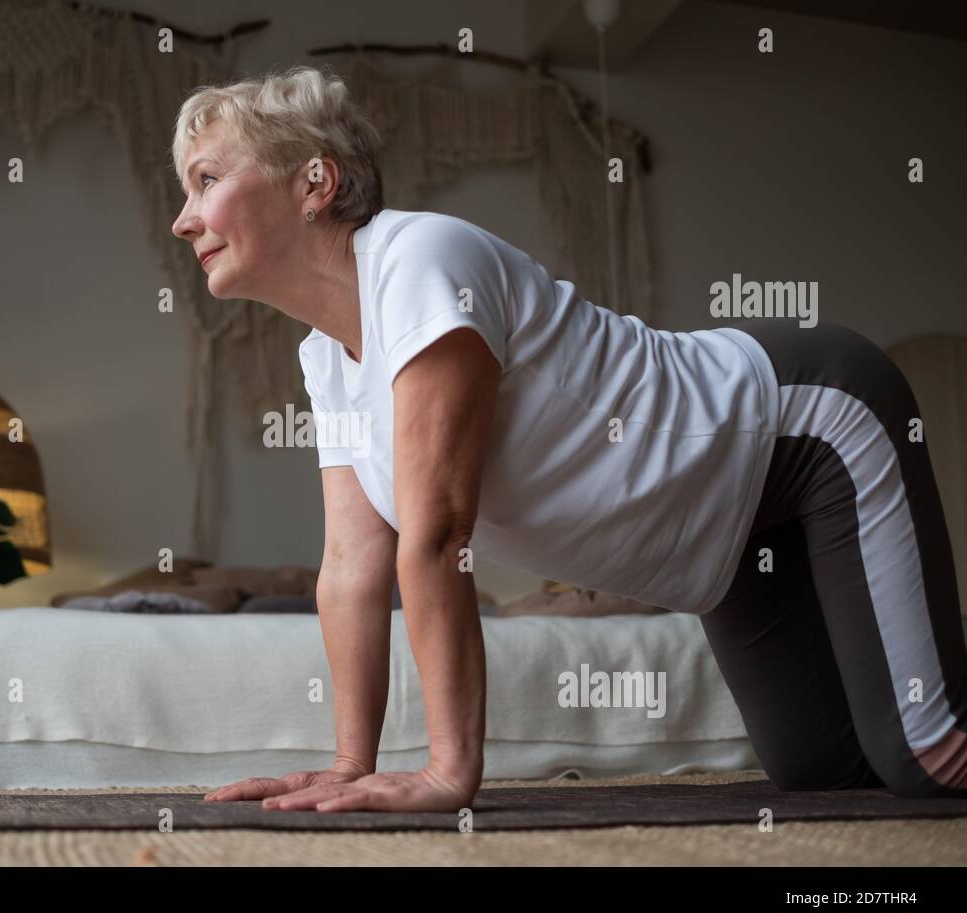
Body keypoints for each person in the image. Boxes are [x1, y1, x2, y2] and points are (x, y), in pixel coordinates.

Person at [169, 65, 967, 812]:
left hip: (806, 425)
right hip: (730, 531)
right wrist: (351, 766)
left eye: (206, 179)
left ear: (315, 181)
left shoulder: (419, 260)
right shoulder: (323, 355)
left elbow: (439, 531)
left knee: (928, 756)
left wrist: (449, 773)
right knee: (822, 774)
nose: (183, 219)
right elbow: (351, 565)